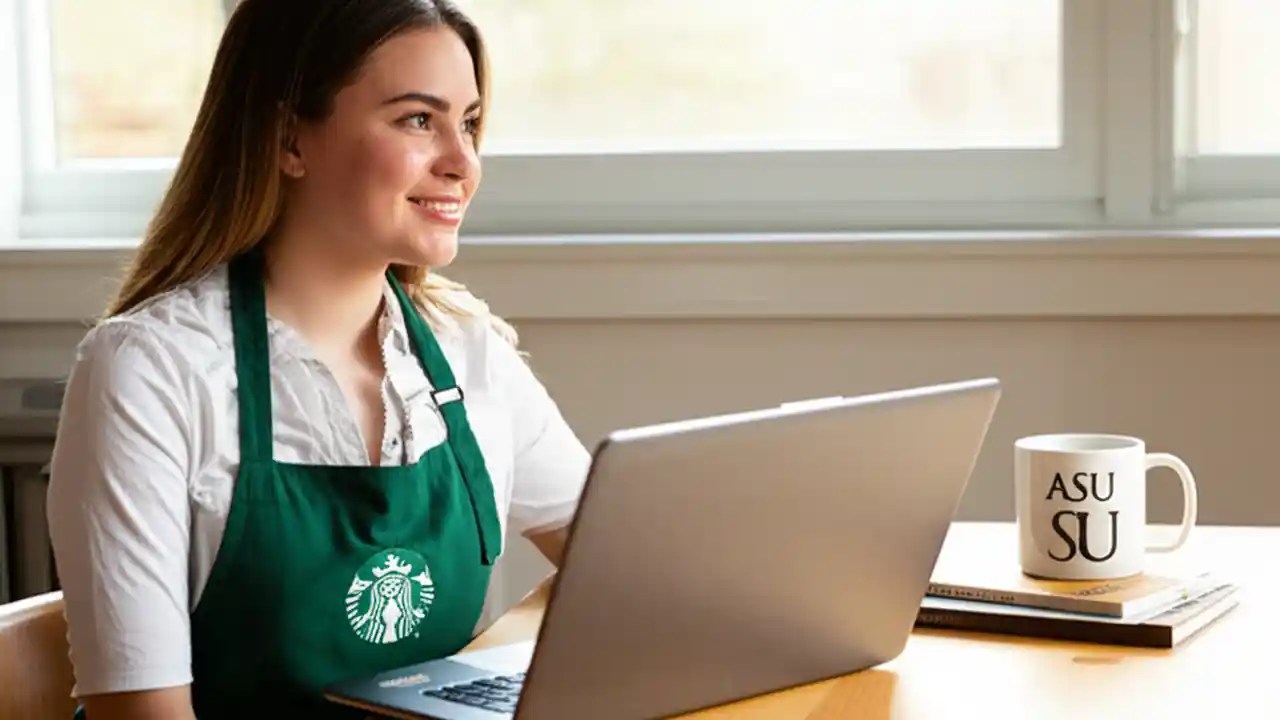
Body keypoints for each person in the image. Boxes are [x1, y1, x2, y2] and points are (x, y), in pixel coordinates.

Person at [44, 1, 590, 718]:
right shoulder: (150, 370)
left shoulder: (467, 350)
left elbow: (627, 570)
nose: (463, 163)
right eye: (418, 120)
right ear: (289, 140)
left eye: (470, 123)